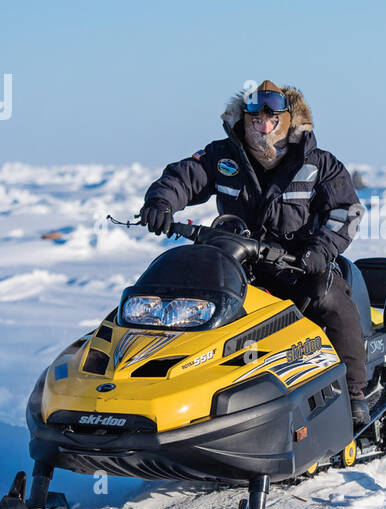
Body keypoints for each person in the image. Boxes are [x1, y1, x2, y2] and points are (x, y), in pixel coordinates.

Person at [138, 80, 372, 426]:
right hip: (236, 262)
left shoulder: (318, 163)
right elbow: (183, 177)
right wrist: (161, 203)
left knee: (328, 298)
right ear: (243, 119)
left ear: (287, 119)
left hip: (296, 266)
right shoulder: (222, 156)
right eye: (255, 116)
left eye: (272, 116)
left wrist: (319, 252)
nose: (263, 123)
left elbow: (345, 212)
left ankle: (354, 393)